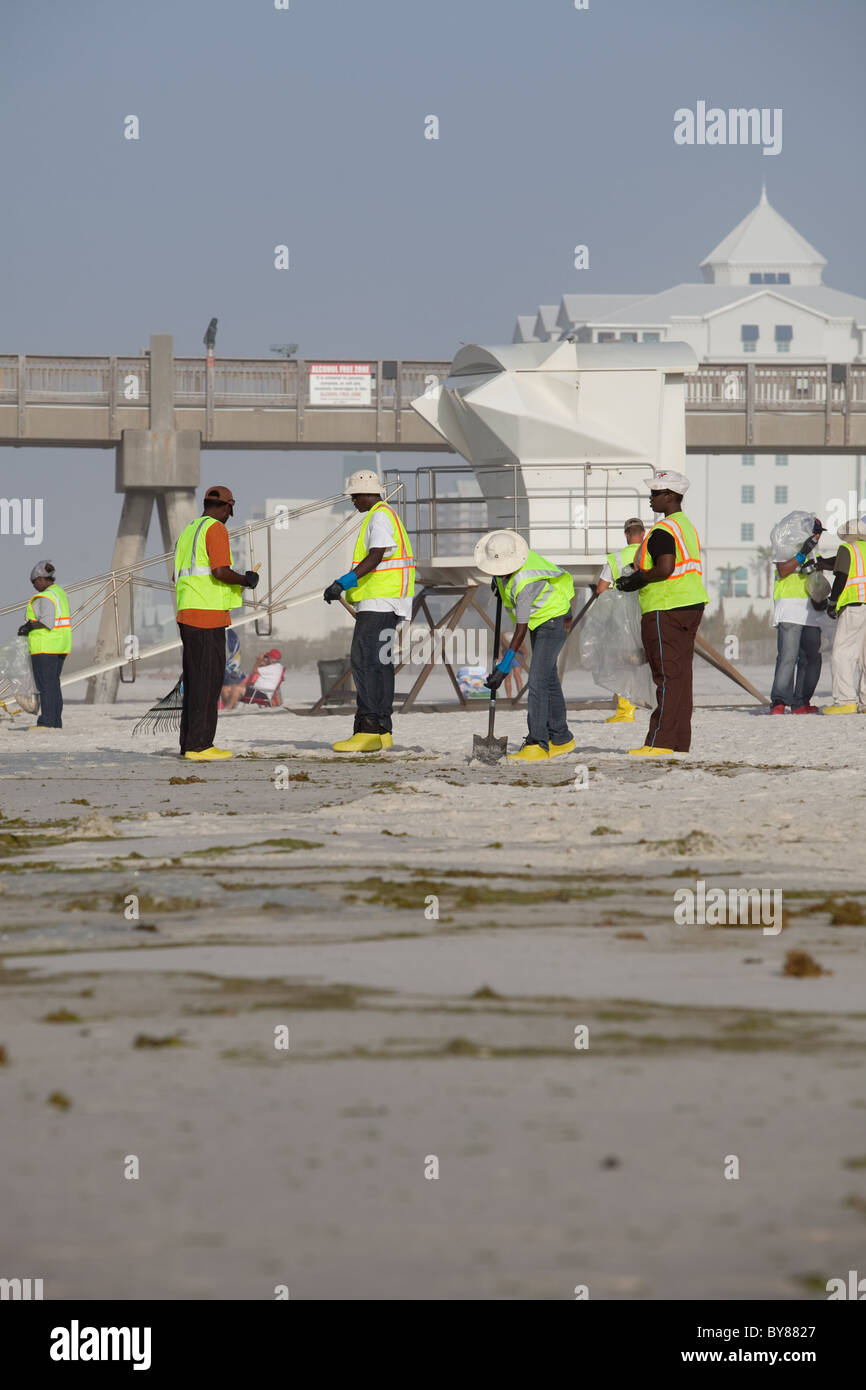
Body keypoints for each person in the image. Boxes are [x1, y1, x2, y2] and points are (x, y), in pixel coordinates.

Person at [615, 470, 708, 756]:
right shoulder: (686, 527)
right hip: (690, 605)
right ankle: (679, 741)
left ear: (671, 496)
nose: (651, 498)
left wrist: (637, 579)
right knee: (681, 678)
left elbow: (665, 568)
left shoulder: (663, 531)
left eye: (656, 493)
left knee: (666, 676)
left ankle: (660, 742)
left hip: (664, 608)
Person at [323, 471, 415, 752]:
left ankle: (369, 728)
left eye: (354, 495)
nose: (352, 500)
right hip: (388, 602)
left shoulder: (379, 515)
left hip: (379, 602)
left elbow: (375, 556)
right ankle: (383, 730)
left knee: (364, 661)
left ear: (367, 493)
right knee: (380, 664)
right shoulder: (385, 514)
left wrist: (342, 583)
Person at [173, 485, 259, 760]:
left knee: (196, 680)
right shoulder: (216, 529)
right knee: (208, 682)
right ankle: (200, 746)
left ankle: (189, 743)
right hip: (207, 615)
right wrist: (246, 580)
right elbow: (220, 571)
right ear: (227, 507)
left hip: (188, 613)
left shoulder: (189, 531)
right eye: (230, 510)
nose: (230, 516)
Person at [476, 529, 575, 763]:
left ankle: (537, 743)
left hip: (553, 620)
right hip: (542, 620)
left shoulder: (525, 582)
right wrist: (497, 582)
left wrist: (504, 668)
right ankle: (561, 738)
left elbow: (520, 630)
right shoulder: (508, 568)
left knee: (538, 681)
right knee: (548, 680)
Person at [768, 517, 832, 715]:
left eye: (820, 531)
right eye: (816, 531)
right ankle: (779, 701)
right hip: (790, 607)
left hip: (811, 609)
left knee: (812, 657)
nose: (818, 535)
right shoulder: (786, 546)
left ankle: (801, 701)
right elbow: (784, 570)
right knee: (788, 656)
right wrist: (803, 552)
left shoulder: (815, 549)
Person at [595, 516, 646, 723]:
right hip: (647, 612)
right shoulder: (649, 554)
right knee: (646, 660)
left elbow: (600, 589)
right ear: (642, 534)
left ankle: (625, 710)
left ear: (626, 534)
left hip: (622, 618)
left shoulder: (615, 558)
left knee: (622, 662)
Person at [17, 560, 71, 729]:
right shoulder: (59, 593)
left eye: (34, 582)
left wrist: (28, 627)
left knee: (46, 686)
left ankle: (47, 722)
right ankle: (55, 722)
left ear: (41, 578)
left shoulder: (44, 597)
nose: (34, 586)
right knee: (53, 685)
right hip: (60, 645)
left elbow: (47, 622)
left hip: (44, 647)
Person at [823, 516, 866, 715]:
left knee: (842, 652)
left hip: (853, 605)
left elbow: (841, 576)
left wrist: (832, 602)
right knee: (863, 655)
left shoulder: (847, 549)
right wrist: (823, 563)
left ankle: (845, 701)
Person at [219, 628, 247, 710]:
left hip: (235, 680)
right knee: (224, 689)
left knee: (227, 687)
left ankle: (228, 708)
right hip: (234, 679)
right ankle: (228, 708)